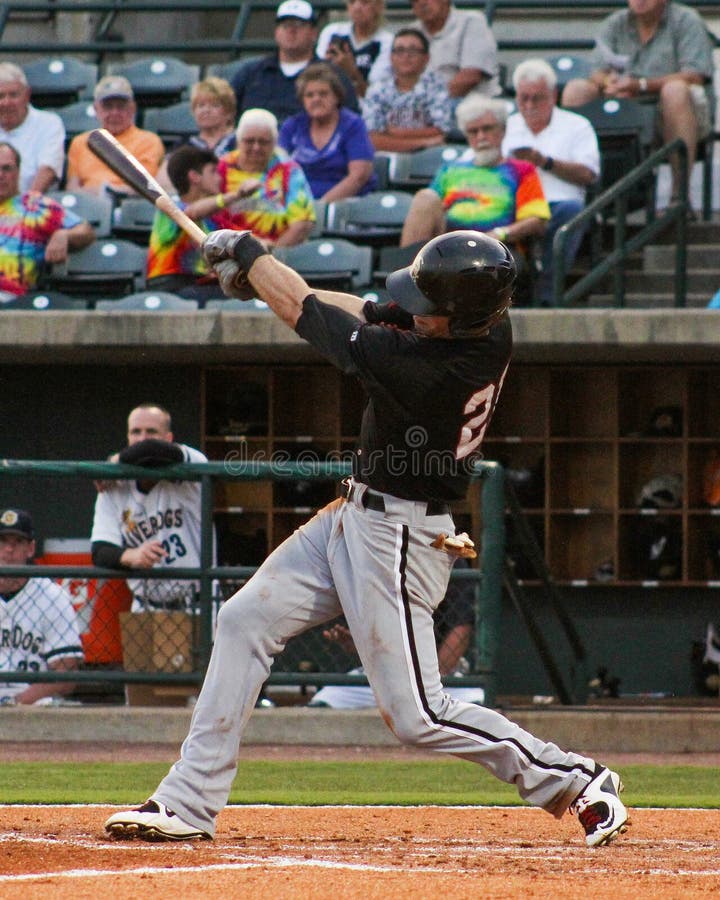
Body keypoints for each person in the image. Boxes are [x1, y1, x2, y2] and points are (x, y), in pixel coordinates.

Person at [104, 227, 629, 850]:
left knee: (418, 716)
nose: (416, 311)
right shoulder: (483, 325)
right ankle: (189, 800)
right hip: (351, 516)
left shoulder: (427, 371)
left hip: (399, 538)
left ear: (454, 319)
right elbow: (358, 309)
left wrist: (253, 258)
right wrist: (262, 282)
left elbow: (309, 315)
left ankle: (577, 778)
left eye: (428, 308)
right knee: (243, 619)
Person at [561, 0, 714, 211]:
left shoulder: (687, 20)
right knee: (576, 89)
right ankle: (574, 196)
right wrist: (610, 84)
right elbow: (596, 70)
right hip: (623, 107)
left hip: (672, 112)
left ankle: (679, 198)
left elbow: (695, 74)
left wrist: (641, 86)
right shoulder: (615, 22)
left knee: (676, 90)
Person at [399, 95, 550, 303]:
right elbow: (432, 211)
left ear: (503, 131)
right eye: (473, 131)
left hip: (497, 247)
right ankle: (408, 285)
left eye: (487, 129)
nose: (481, 137)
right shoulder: (450, 171)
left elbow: (537, 220)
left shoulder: (522, 170)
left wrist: (498, 234)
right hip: (450, 242)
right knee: (425, 198)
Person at [309, 559, 486, 708]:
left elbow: (461, 628)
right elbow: (376, 639)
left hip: (437, 678)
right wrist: (358, 645)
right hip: (382, 674)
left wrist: (430, 680)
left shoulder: (445, 555)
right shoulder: (373, 556)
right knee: (325, 701)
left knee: (476, 703)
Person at [90, 403, 209, 613]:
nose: (142, 438)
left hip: (196, 604)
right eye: (135, 432)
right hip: (144, 608)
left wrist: (115, 460)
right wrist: (132, 555)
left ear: (169, 439)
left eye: (151, 431)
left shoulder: (190, 465)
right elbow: (100, 551)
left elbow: (150, 451)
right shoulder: (114, 486)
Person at [502, 58, 600, 306]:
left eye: (537, 98)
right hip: (514, 206)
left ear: (554, 96)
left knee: (571, 212)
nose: (529, 105)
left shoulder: (577, 125)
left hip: (558, 205)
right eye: (523, 98)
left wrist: (544, 161)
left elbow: (588, 174)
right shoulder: (505, 125)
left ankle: (547, 297)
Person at [147, 145, 260, 299]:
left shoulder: (213, 217)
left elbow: (239, 238)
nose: (219, 178)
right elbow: (191, 213)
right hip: (168, 284)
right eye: (213, 171)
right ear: (195, 176)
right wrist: (238, 194)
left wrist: (263, 244)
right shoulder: (168, 205)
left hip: (199, 284)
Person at [0, 507, 83, 705]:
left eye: (18, 542)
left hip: (34, 705)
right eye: (2, 541)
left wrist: (18, 702)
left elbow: (66, 678)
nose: (8, 549)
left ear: (30, 548)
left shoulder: (53, 597)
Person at [230, 0, 360, 125]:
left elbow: (350, 120)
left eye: (299, 25)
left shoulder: (332, 75)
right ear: (276, 32)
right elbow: (226, 112)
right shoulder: (251, 73)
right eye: (285, 25)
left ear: (314, 33)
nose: (291, 30)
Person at [0, 142, 95, 297]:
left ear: (18, 172)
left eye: (6, 168)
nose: (0, 175)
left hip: (14, 299)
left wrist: (64, 235)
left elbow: (86, 231)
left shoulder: (35, 205)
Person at [217, 108, 316, 247]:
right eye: (249, 141)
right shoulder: (222, 167)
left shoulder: (289, 170)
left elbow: (302, 224)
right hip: (227, 252)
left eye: (263, 142)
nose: (256, 147)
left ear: (274, 142)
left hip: (277, 253)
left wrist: (269, 256)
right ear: (238, 141)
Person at [278, 62, 376, 201]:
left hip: (344, 204)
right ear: (302, 100)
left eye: (323, 94)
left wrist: (321, 207)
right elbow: (276, 170)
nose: (316, 99)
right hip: (297, 202)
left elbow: (359, 176)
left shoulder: (353, 125)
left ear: (336, 97)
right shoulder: (292, 126)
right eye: (309, 95)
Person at [66, 76, 165, 197]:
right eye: (108, 106)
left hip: (127, 205)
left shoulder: (149, 141)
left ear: (132, 109)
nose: (114, 113)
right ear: (96, 109)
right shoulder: (80, 142)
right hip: (88, 205)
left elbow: (145, 187)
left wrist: (108, 192)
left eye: (121, 106)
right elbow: (72, 187)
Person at [362, 27, 453, 153]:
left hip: (426, 157)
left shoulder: (437, 87)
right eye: (399, 51)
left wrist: (397, 133)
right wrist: (424, 141)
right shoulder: (377, 89)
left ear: (426, 58)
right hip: (386, 158)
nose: (406, 56)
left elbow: (441, 131)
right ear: (391, 57)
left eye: (413, 50)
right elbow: (373, 140)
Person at [409, 0, 501, 105]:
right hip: (423, 109)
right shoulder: (410, 32)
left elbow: (470, 76)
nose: (422, 3)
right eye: (414, 0)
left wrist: (429, 102)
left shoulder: (471, 21)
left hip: (471, 107)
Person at [0, 62, 65, 193]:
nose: (7, 102)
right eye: (1, 96)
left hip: (32, 206)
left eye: (13, 95)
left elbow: (48, 170)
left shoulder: (49, 123)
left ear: (27, 95)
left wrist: (26, 206)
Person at [316, 0, 393, 98]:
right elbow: (317, 75)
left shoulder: (387, 42)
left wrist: (351, 71)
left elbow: (373, 95)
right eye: (352, 2)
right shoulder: (332, 32)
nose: (357, 8)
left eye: (365, 2)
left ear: (379, 6)